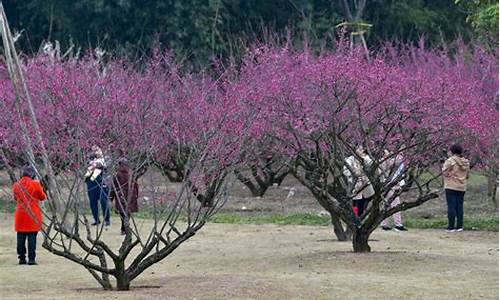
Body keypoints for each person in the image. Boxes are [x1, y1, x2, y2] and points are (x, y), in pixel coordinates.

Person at [12, 165, 47, 265]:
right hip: (33, 215)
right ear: (33, 175)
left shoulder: (16, 185)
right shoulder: (36, 184)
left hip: (20, 215)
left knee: (20, 237)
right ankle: (31, 259)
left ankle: (21, 258)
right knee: (32, 238)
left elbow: (15, 198)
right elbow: (43, 197)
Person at [442, 144, 470, 232]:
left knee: (451, 206)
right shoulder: (466, 162)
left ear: (452, 151)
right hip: (462, 187)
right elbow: (467, 175)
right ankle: (459, 226)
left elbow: (444, 171)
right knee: (459, 207)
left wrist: (448, 175)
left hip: (451, 186)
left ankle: (451, 227)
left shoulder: (450, 161)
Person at [380, 149, 408, 231]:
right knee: (393, 204)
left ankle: (387, 224)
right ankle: (396, 224)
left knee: (389, 204)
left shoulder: (392, 161)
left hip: (394, 184)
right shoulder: (384, 162)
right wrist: (399, 156)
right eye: (386, 152)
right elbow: (393, 163)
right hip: (389, 185)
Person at [109, 159, 139, 235]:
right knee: (127, 212)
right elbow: (136, 185)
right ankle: (125, 228)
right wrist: (136, 195)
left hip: (121, 195)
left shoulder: (117, 175)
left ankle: (124, 228)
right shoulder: (131, 174)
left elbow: (113, 187)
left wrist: (110, 197)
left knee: (123, 212)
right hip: (131, 195)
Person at [343, 145, 375, 217]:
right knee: (357, 200)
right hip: (355, 182)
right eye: (359, 149)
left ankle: (360, 214)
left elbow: (371, 164)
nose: (360, 151)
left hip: (365, 182)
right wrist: (354, 172)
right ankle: (356, 216)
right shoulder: (350, 159)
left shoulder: (365, 158)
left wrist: (364, 158)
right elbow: (345, 171)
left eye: (362, 149)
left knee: (369, 196)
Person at [85, 145, 110, 226]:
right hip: (91, 183)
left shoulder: (105, 159)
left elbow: (105, 167)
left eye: (97, 150)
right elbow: (87, 167)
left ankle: (106, 220)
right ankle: (96, 219)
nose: (95, 152)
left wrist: (97, 164)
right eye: (93, 150)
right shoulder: (89, 159)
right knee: (93, 202)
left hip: (101, 182)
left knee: (104, 201)